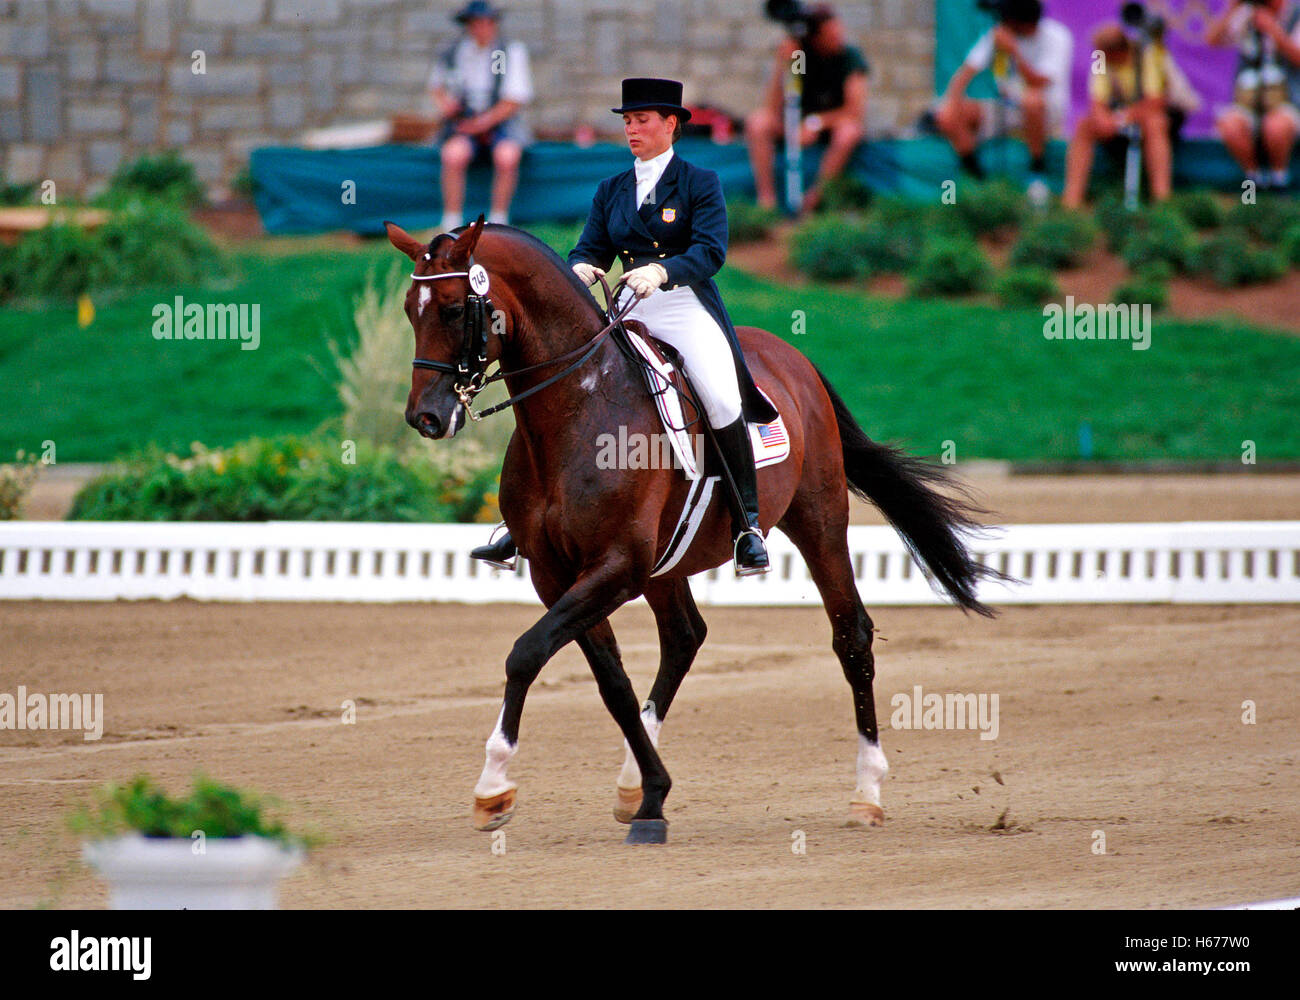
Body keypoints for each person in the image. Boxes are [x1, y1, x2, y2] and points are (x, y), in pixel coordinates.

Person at [472, 78, 778, 577]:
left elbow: (710, 252)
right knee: (567, 390)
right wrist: (581, 269)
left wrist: (664, 270)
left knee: (722, 398)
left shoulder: (699, 182)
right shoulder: (611, 189)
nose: (632, 130)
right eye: (628, 121)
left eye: (642, 120)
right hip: (625, 308)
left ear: (671, 124)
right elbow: (590, 246)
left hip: (682, 306)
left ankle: (747, 524)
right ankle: (527, 516)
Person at [744, 4, 869, 213]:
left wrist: (815, 123)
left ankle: (815, 200)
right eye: (831, 37)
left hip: (827, 129)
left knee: (850, 132)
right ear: (816, 39)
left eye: (839, 34)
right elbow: (773, 108)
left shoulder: (850, 57)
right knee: (758, 122)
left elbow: (854, 112)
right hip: (792, 125)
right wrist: (782, 65)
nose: (838, 40)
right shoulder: (799, 55)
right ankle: (766, 203)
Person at [935, 0, 1072, 186]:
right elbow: (965, 73)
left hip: (1044, 111)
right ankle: (975, 176)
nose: (1000, 21)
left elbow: (1037, 83)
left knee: (1031, 100)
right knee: (947, 115)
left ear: (1020, 22)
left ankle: (1037, 170)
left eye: (1005, 17)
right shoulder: (998, 35)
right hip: (1007, 109)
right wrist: (951, 103)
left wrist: (1014, 52)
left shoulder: (1057, 36)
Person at [428, 1, 533, 232]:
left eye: (485, 23)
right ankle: (452, 220)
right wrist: (449, 107)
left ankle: (498, 219)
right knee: (453, 155)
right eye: (475, 24)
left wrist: (482, 124)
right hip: (465, 122)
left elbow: (512, 100)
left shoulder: (508, 52)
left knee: (507, 156)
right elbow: (437, 87)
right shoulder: (454, 51)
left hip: (501, 124)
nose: (481, 29)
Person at [1062, 23, 1172, 208]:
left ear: (1119, 52)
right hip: (1119, 115)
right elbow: (1096, 99)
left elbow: (1156, 101)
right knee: (1084, 125)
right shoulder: (1100, 57)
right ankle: (1071, 200)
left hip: (1151, 114)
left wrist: (1119, 119)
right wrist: (1102, 119)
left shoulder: (1148, 53)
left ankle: (1162, 199)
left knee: (1155, 123)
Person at [1207, 0, 1300, 190]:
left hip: (1287, 100)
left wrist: (1274, 31)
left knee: (1275, 127)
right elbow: (1212, 40)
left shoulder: (1295, 13)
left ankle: (1279, 182)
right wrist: (1233, 7)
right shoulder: (1247, 14)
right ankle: (1253, 181)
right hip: (1247, 100)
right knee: (1229, 125)